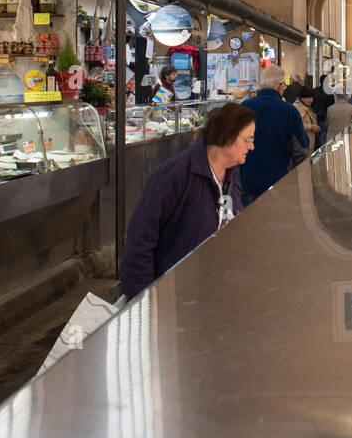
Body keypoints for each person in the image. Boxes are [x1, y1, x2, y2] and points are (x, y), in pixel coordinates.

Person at [118, 102, 255, 301]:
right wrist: (145, 302)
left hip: (211, 294)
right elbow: (139, 243)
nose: (252, 146)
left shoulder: (231, 172)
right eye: (248, 139)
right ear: (228, 136)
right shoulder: (175, 174)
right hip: (172, 297)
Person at [239, 64, 308, 204]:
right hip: (279, 184)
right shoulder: (290, 112)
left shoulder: (243, 107)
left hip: (246, 183)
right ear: (280, 86)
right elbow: (301, 151)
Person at [294, 83, 321, 152]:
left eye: (312, 98)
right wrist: (311, 127)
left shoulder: (307, 107)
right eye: (309, 98)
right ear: (302, 98)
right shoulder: (296, 108)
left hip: (311, 143)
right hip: (303, 146)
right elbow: (295, 126)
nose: (311, 100)